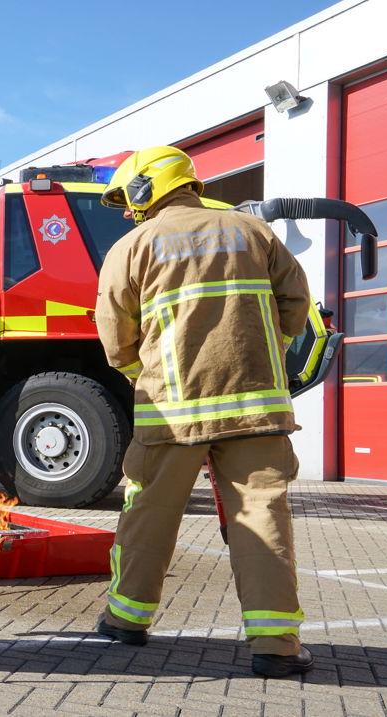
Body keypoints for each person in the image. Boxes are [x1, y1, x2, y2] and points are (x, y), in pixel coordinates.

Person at [93, 146, 314, 678]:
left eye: (128, 198)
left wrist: (140, 373)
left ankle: (126, 621)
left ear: (146, 188)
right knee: (262, 516)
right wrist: (265, 352)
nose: (128, 209)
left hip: (171, 413)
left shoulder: (134, 246)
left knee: (149, 513)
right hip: (255, 409)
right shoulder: (254, 232)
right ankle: (276, 646)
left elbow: (114, 333)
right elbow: (296, 304)